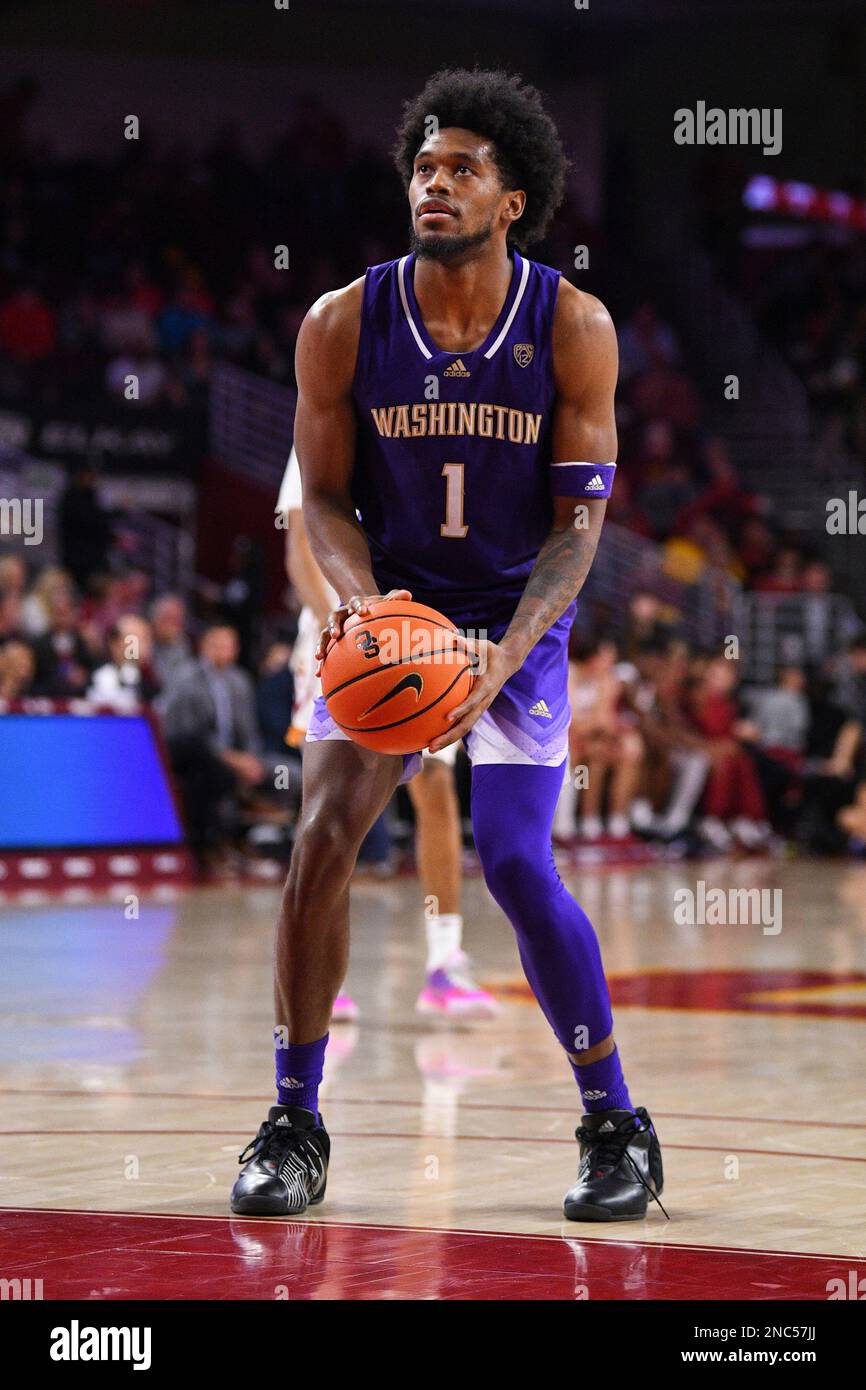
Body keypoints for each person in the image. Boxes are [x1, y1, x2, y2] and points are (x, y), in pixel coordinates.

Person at [232, 69, 664, 1223]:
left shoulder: (572, 325)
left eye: (463, 168)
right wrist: (372, 613)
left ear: (512, 199)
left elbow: (580, 530)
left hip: (519, 612)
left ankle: (613, 1120)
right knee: (320, 838)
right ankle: (292, 1118)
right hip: (393, 611)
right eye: (424, 166)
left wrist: (501, 654)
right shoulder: (340, 322)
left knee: (518, 867)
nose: (435, 183)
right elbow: (319, 498)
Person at [277, 446, 497, 1019]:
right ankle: (328, 978)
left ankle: (445, 965)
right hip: (344, 645)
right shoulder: (321, 429)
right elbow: (302, 550)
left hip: (417, 642)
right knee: (333, 813)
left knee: (437, 791)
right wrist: (352, 624)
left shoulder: (421, 426)